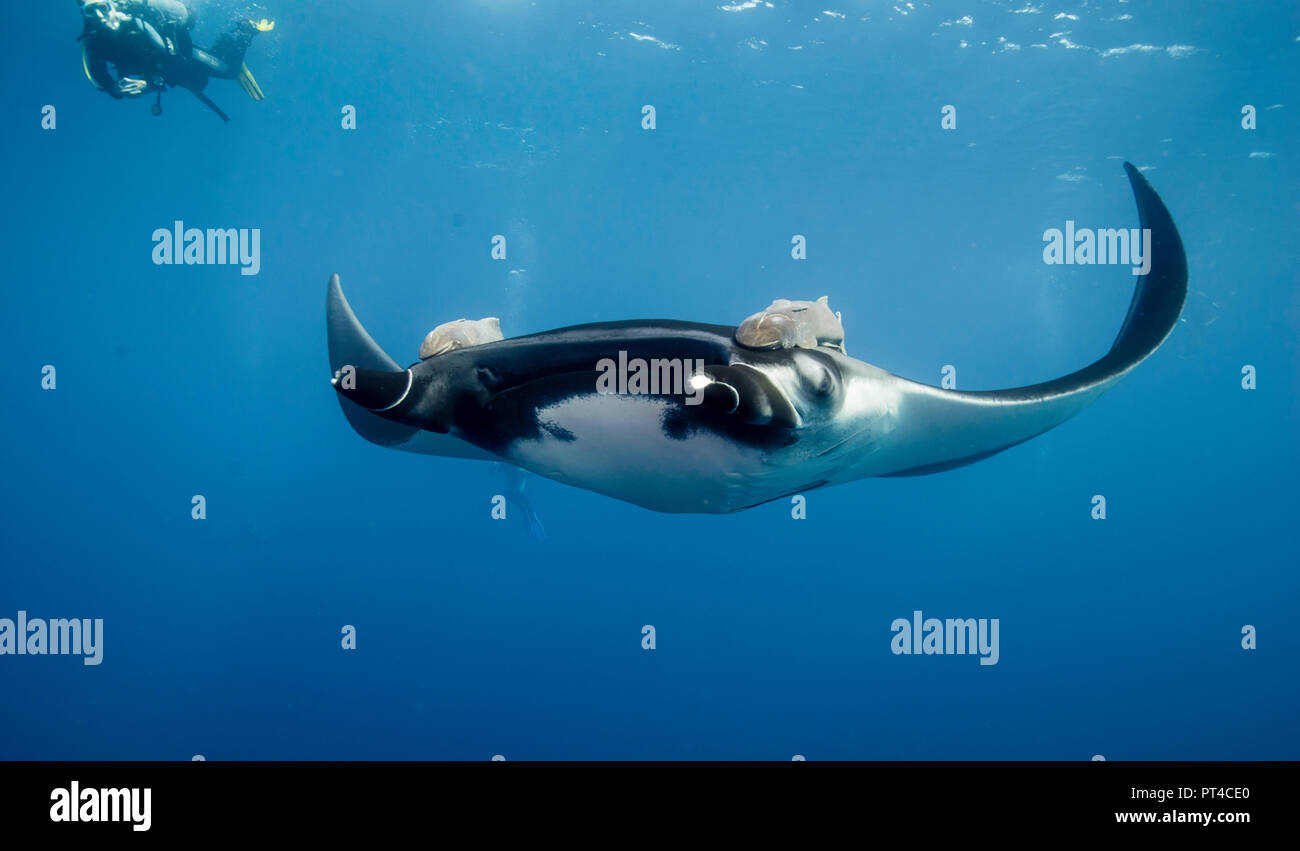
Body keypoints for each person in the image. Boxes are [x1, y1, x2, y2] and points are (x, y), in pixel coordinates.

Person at [78, 0, 274, 120]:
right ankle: (223, 43)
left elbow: (173, 58)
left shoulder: (136, 22)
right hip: (168, 74)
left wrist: (149, 83)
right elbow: (98, 77)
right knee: (199, 82)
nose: (99, 17)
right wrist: (115, 89)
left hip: (184, 55)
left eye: (102, 8)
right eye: (89, 12)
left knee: (229, 71)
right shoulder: (94, 43)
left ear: (112, 5)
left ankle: (245, 30)